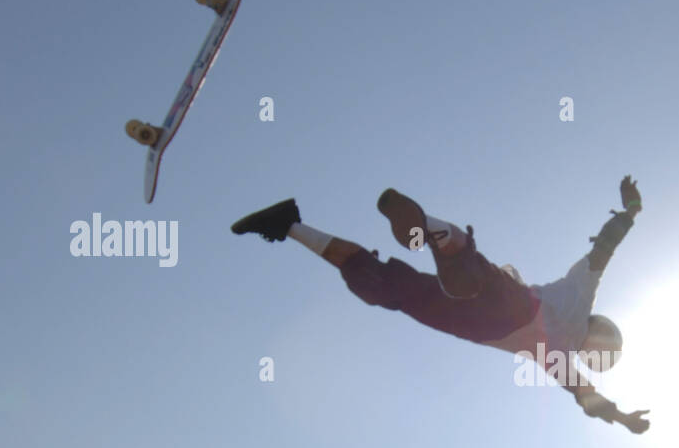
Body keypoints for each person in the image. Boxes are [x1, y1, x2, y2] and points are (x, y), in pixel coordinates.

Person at [231, 178, 650, 433]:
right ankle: (430, 231)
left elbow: (586, 398)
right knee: (468, 279)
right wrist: (630, 210)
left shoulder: (559, 359)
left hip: (474, 320)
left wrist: (621, 416)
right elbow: (607, 246)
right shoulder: (580, 298)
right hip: (502, 311)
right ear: (600, 335)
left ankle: (288, 223)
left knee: (380, 286)